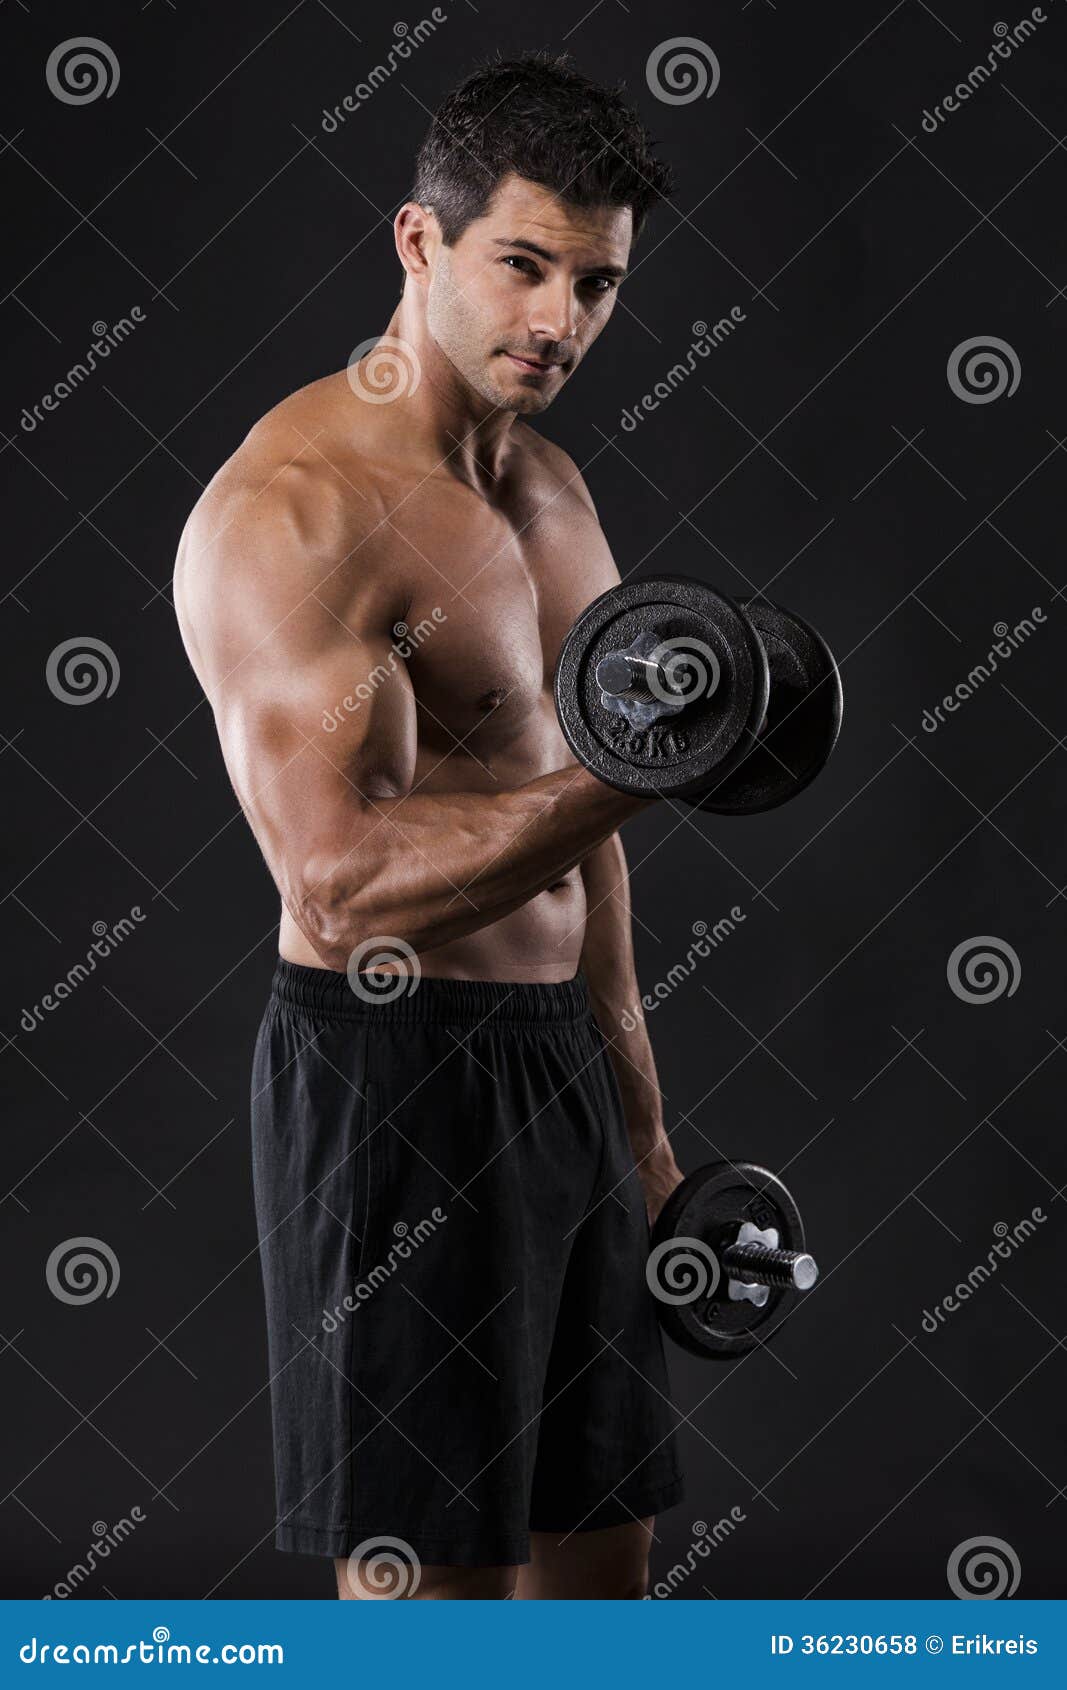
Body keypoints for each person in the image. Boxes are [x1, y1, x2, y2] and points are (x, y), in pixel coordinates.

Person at [174, 51, 685, 1600]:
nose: (559, 321)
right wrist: (639, 769)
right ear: (419, 242)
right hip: (391, 1064)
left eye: (594, 284)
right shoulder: (297, 511)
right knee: (434, 1585)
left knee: (600, 1550)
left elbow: (585, 835)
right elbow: (338, 884)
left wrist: (645, 1123)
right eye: (523, 265)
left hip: (560, 1061)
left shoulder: (556, 496)